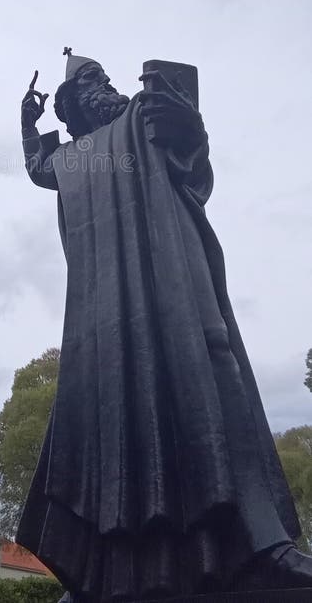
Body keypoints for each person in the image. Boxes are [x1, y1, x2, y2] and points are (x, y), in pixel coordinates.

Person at [16, 50, 312, 601]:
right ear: (73, 107)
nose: (105, 87)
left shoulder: (141, 117)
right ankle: (106, 573)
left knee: (210, 376)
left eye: (104, 78)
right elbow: (41, 169)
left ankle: (259, 546)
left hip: (172, 280)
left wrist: (190, 128)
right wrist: (28, 127)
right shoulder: (79, 156)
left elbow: (187, 152)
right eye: (92, 83)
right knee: (109, 413)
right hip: (105, 315)